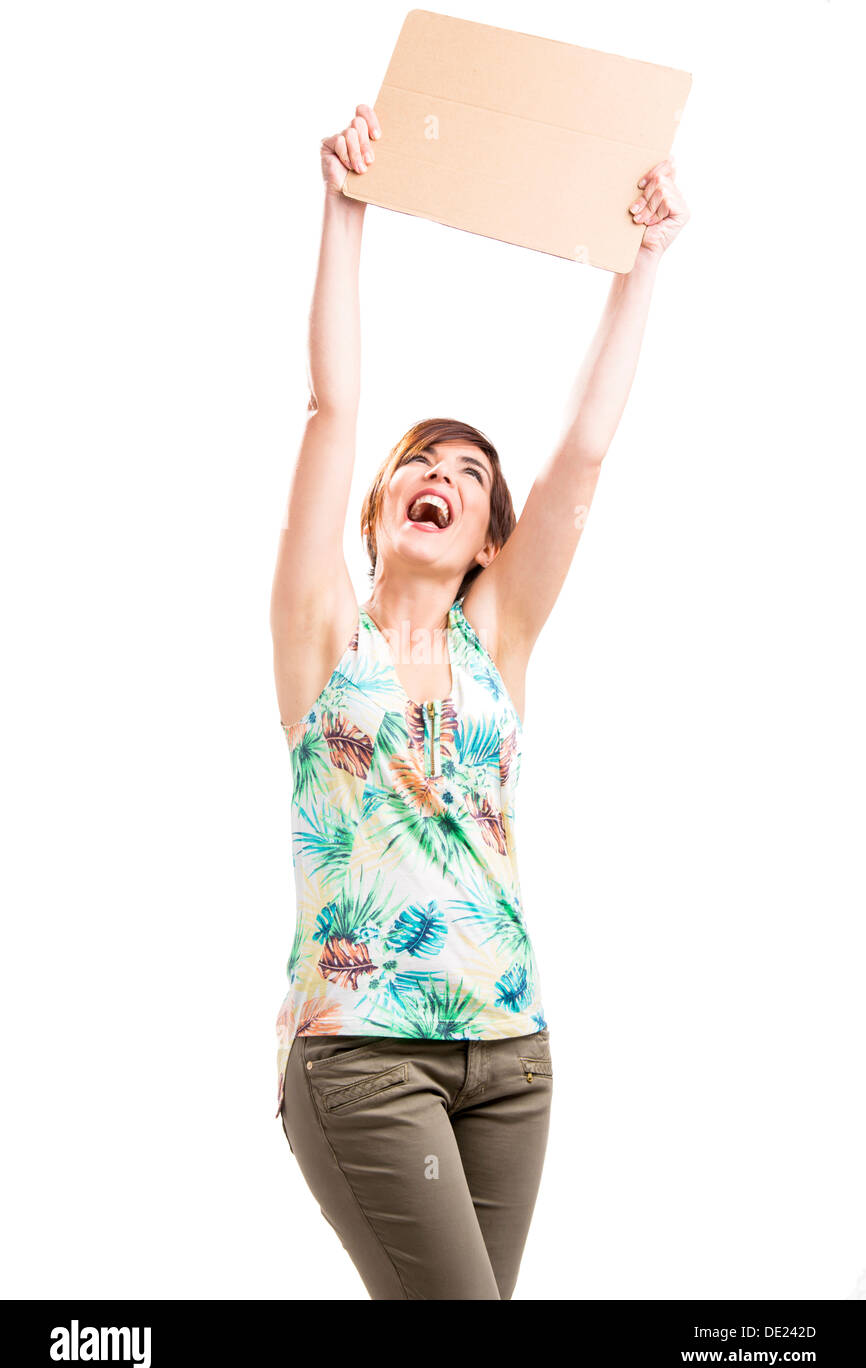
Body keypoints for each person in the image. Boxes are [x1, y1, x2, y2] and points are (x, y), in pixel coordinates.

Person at [270, 102, 689, 1300]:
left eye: (467, 474)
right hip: (359, 1054)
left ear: (483, 543)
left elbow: (584, 454)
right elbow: (330, 408)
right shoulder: (318, 636)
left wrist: (642, 265)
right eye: (422, 462)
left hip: (513, 1054)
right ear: (380, 510)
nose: (439, 477)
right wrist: (344, 207)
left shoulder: (495, 641)